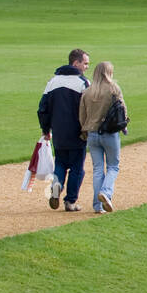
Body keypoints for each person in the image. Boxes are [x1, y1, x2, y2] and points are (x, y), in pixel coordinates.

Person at [38, 48, 91, 212]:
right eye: (85, 63)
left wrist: (46, 129)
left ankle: (56, 184)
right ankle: (70, 201)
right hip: (77, 132)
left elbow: (42, 109)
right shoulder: (83, 83)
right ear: (76, 63)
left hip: (58, 132)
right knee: (76, 167)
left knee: (60, 163)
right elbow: (89, 108)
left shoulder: (52, 82)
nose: (87, 67)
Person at [78, 60, 125, 213]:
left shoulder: (88, 91)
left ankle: (98, 206)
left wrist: (85, 131)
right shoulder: (113, 89)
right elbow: (122, 110)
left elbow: (82, 116)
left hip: (92, 134)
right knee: (113, 166)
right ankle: (105, 193)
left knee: (98, 169)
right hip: (109, 134)